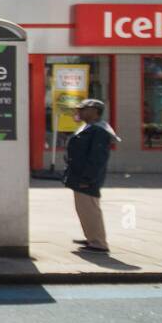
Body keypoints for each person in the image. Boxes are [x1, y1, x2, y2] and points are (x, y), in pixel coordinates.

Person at [64, 98, 117, 254]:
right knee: (84, 209)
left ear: (95, 112)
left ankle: (98, 242)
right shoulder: (89, 127)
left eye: (83, 109)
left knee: (90, 209)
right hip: (79, 176)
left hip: (87, 179)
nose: (79, 112)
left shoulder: (99, 130)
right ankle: (91, 236)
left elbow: (97, 158)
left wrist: (87, 179)